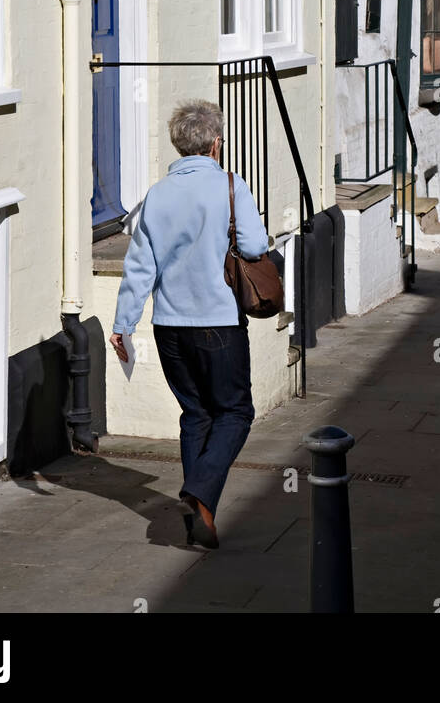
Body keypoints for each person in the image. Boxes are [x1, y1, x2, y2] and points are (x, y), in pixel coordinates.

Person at [109, 99, 269, 550]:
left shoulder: (156, 194)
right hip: (218, 321)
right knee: (236, 412)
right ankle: (197, 491)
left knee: (196, 413)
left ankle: (202, 516)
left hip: (169, 325)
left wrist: (124, 324)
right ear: (216, 143)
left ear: (180, 145)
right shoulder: (230, 186)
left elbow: (140, 268)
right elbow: (255, 246)